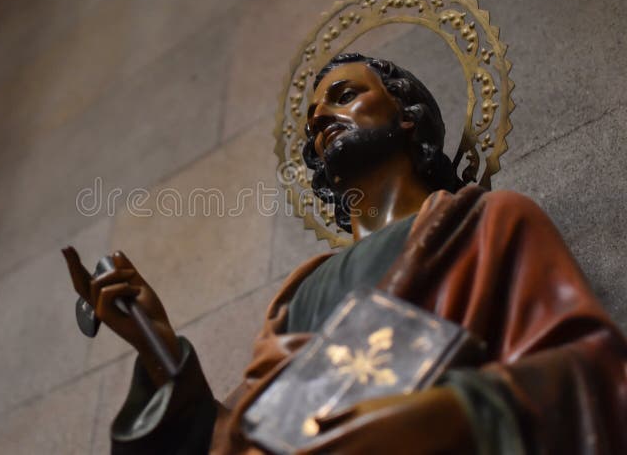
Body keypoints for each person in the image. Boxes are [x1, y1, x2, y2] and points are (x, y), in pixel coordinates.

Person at [63, 53, 627, 454]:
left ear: (406, 115)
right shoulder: (301, 293)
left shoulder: (487, 224)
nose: (318, 119)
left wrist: (452, 414)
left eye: (345, 95)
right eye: (312, 118)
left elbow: (597, 372)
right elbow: (242, 439)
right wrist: (159, 349)